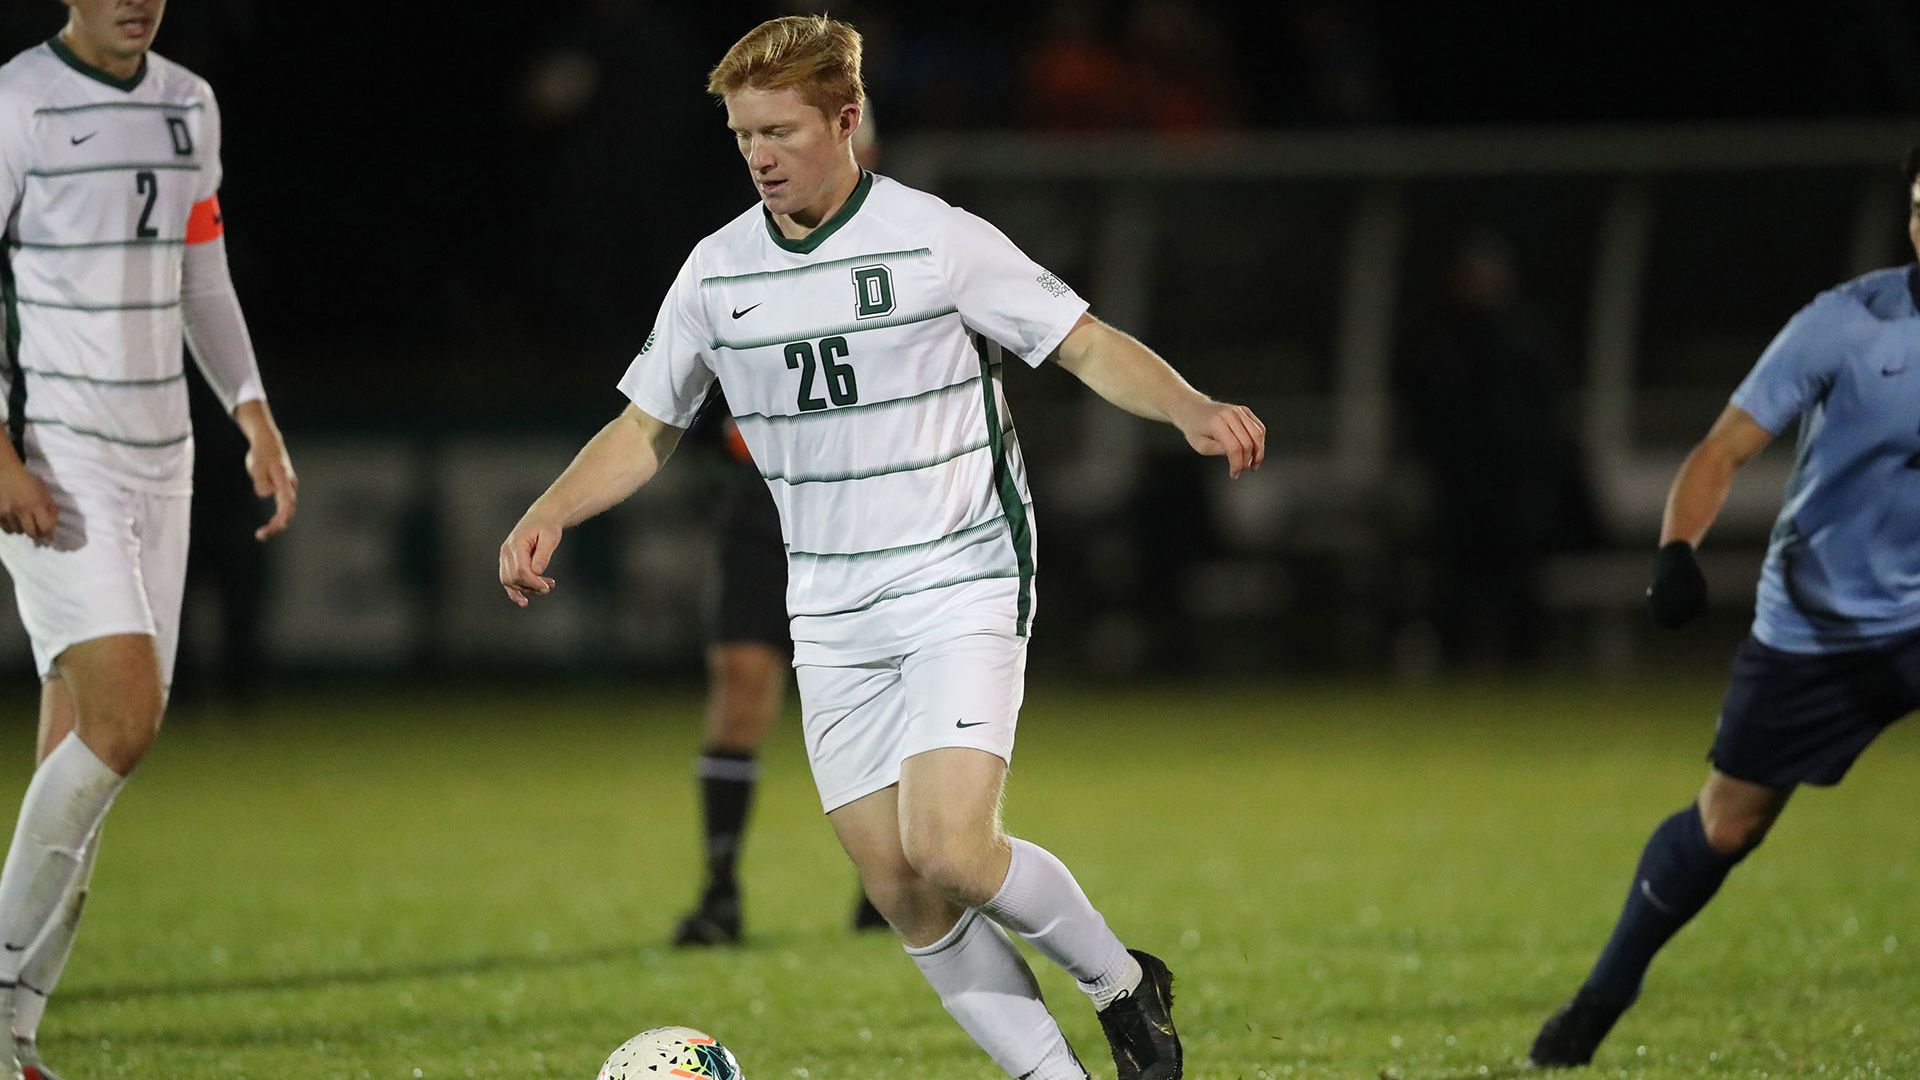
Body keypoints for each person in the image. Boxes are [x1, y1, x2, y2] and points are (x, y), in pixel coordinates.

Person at [500, 17, 1263, 1080]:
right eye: (741, 136)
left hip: (961, 573)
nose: (759, 155)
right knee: (901, 888)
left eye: (779, 130)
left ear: (846, 120)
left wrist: (1187, 407)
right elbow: (646, 426)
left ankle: (1122, 984)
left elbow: (1079, 341)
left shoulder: (936, 238)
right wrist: (553, 508)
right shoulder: (718, 272)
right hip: (828, 604)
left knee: (950, 849)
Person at [1530, 147, 1920, 1067]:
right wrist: (1676, 554)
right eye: (1918, 205)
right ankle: (1602, 996)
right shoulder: (1847, 323)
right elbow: (1722, 449)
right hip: (1824, 625)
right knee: (1729, 823)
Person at [0, 3, 297, 1078]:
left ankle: (18, 1035)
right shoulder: (17, 102)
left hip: (161, 453)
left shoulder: (187, 102)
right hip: (58, 447)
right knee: (124, 722)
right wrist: (0, 449)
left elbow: (200, 268)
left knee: (84, 758)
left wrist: (251, 410)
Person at [671, 404, 886, 946]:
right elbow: (683, 421)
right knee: (742, 690)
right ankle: (720, 892)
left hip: (861, 523)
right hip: (759, 526)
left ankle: (886, 885)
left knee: (873, 698)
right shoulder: (735, 324)